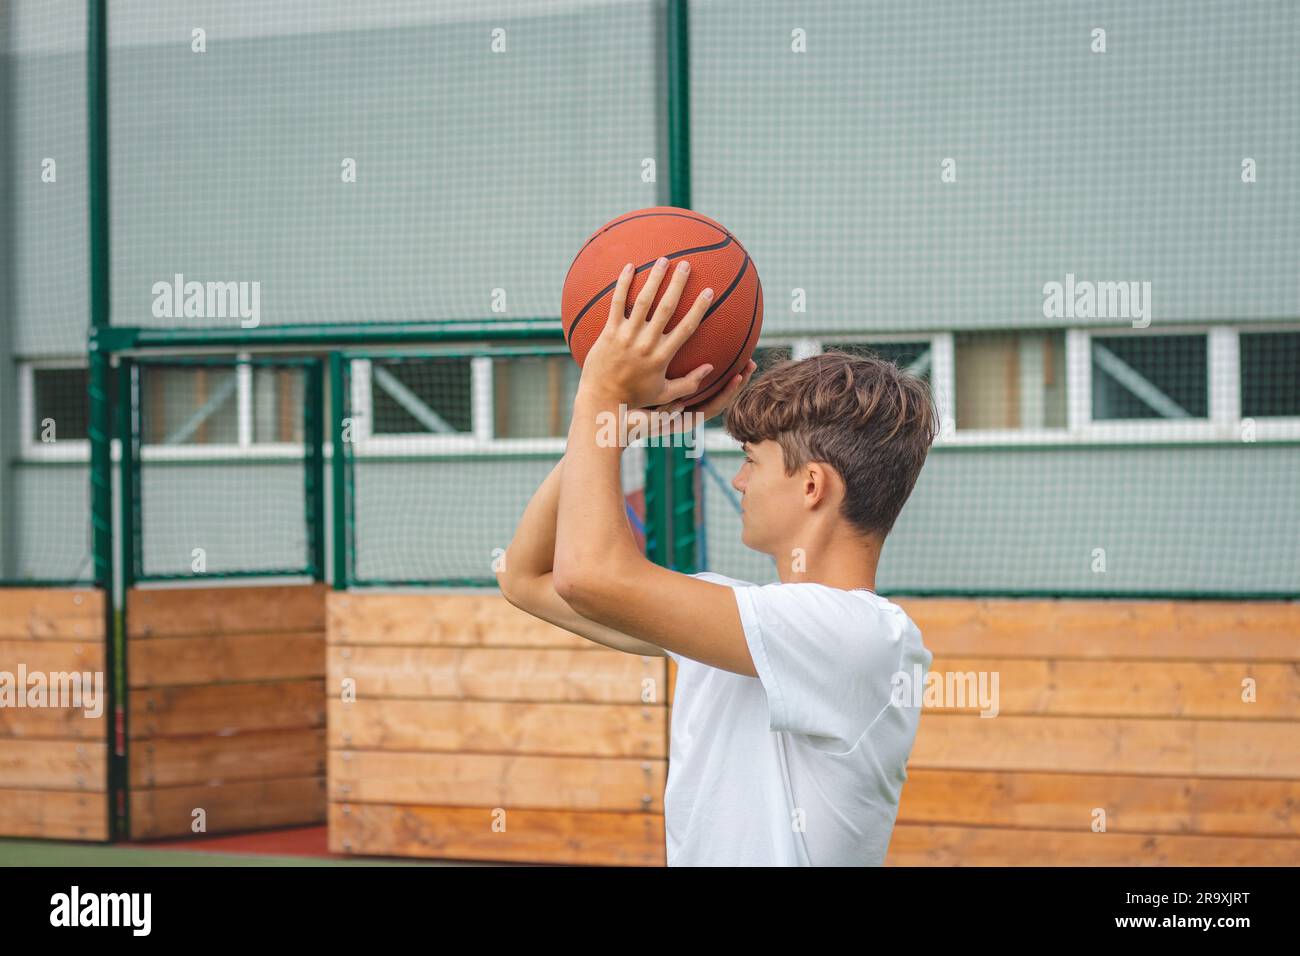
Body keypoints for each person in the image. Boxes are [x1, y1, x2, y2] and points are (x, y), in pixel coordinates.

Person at [497, 256, 936, 865]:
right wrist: (616, 430)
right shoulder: (740, 626)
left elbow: (587, 575)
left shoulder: (862, 636)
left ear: (812, 486)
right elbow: (525, 579)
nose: (737, 482)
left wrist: (600, 397)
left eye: (752, 461)